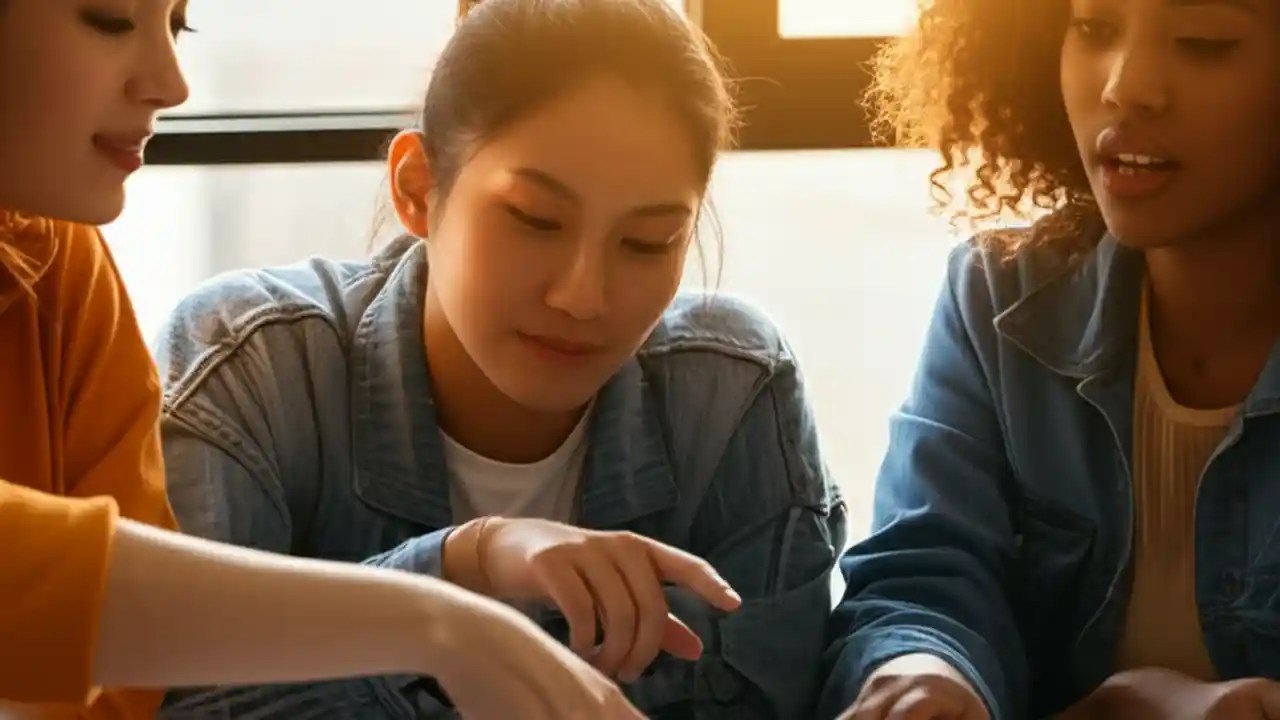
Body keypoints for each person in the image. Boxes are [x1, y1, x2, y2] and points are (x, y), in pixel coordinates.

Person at [155, 0, 847, 718]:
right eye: (534, 220)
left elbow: (776, 697)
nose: (584, 296)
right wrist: (462, 565)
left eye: (647, 243)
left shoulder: (732, 393)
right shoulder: (252, 367)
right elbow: (176, 698)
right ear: (418, 188)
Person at [0, 1, 644, 718]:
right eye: (108, 19)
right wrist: (439, 618)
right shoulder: (249, 355)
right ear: (417, 190)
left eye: (180, 24)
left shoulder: (56, 265)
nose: (171, 83)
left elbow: (111, 689)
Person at [817, 0, 1280, 718]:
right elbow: (928, 571)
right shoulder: (998, 302)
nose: (1125, 86)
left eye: (1203, 41)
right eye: (1093, 28)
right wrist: (926, 672)